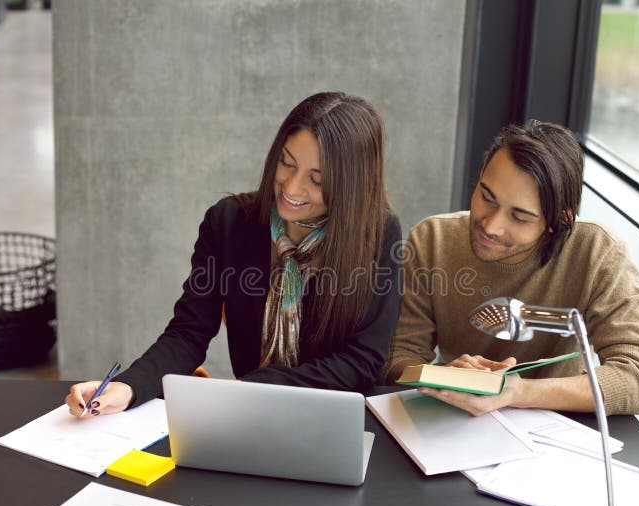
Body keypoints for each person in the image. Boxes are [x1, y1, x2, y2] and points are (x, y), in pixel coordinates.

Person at [65, 92, 402, 417]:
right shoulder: (229, 223)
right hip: (248, 415)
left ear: (350, 185)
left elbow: (360, 361)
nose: (291, 187)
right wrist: (128, 387)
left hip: (332, 419)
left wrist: (248, 388)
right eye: (287, 163)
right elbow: (188, 333)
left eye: (317, 180)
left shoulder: (377, 234)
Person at [381, 121, 639, 416]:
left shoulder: (597, 250)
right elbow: (397, 355)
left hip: (558, 422)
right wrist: (443, 375)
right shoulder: (433, 239)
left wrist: (516, 392)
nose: (491, 226)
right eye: (487, 197)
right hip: (457, 418)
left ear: (558, 221)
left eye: (519, 217)